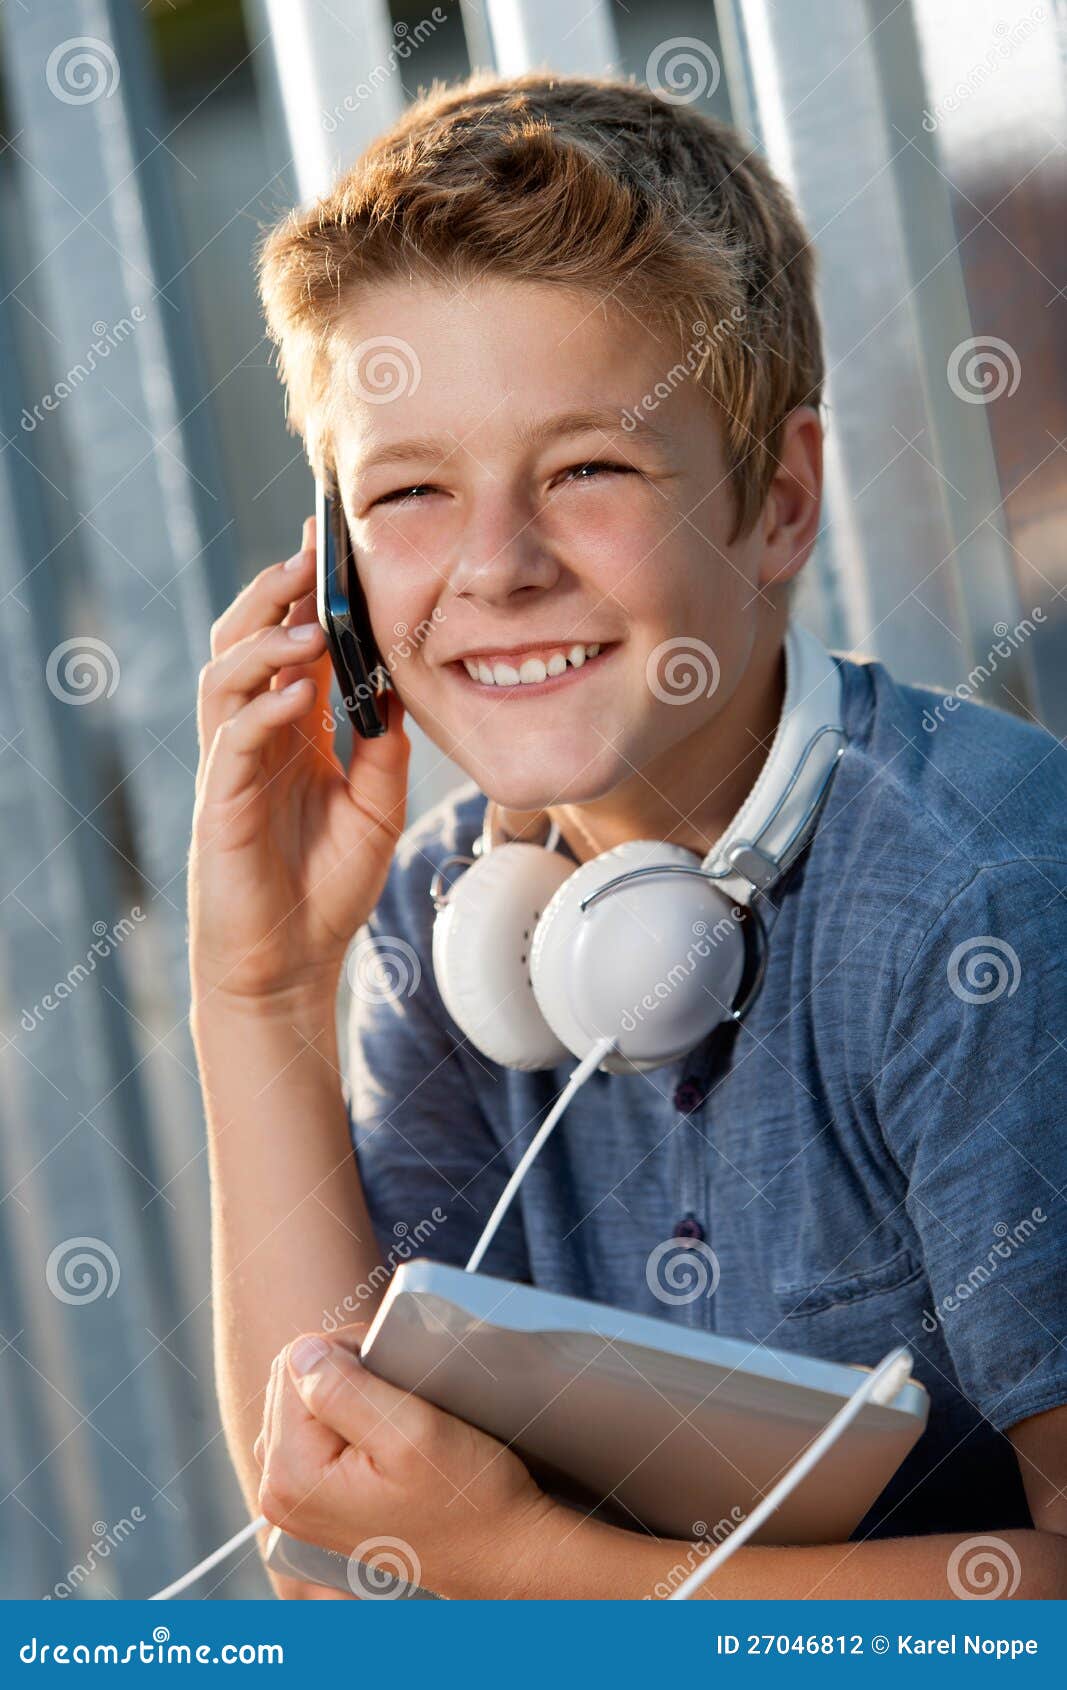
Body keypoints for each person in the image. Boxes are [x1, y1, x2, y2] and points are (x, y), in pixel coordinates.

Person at [188, 71, 1067, 1599]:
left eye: (587, 466)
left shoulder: (979, 893)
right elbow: (335, 1553)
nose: (500, 565)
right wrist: (258, 987)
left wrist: (530, 1559)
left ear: (779, 501)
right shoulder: (456, 930)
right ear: (334, 583)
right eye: (408, 492)